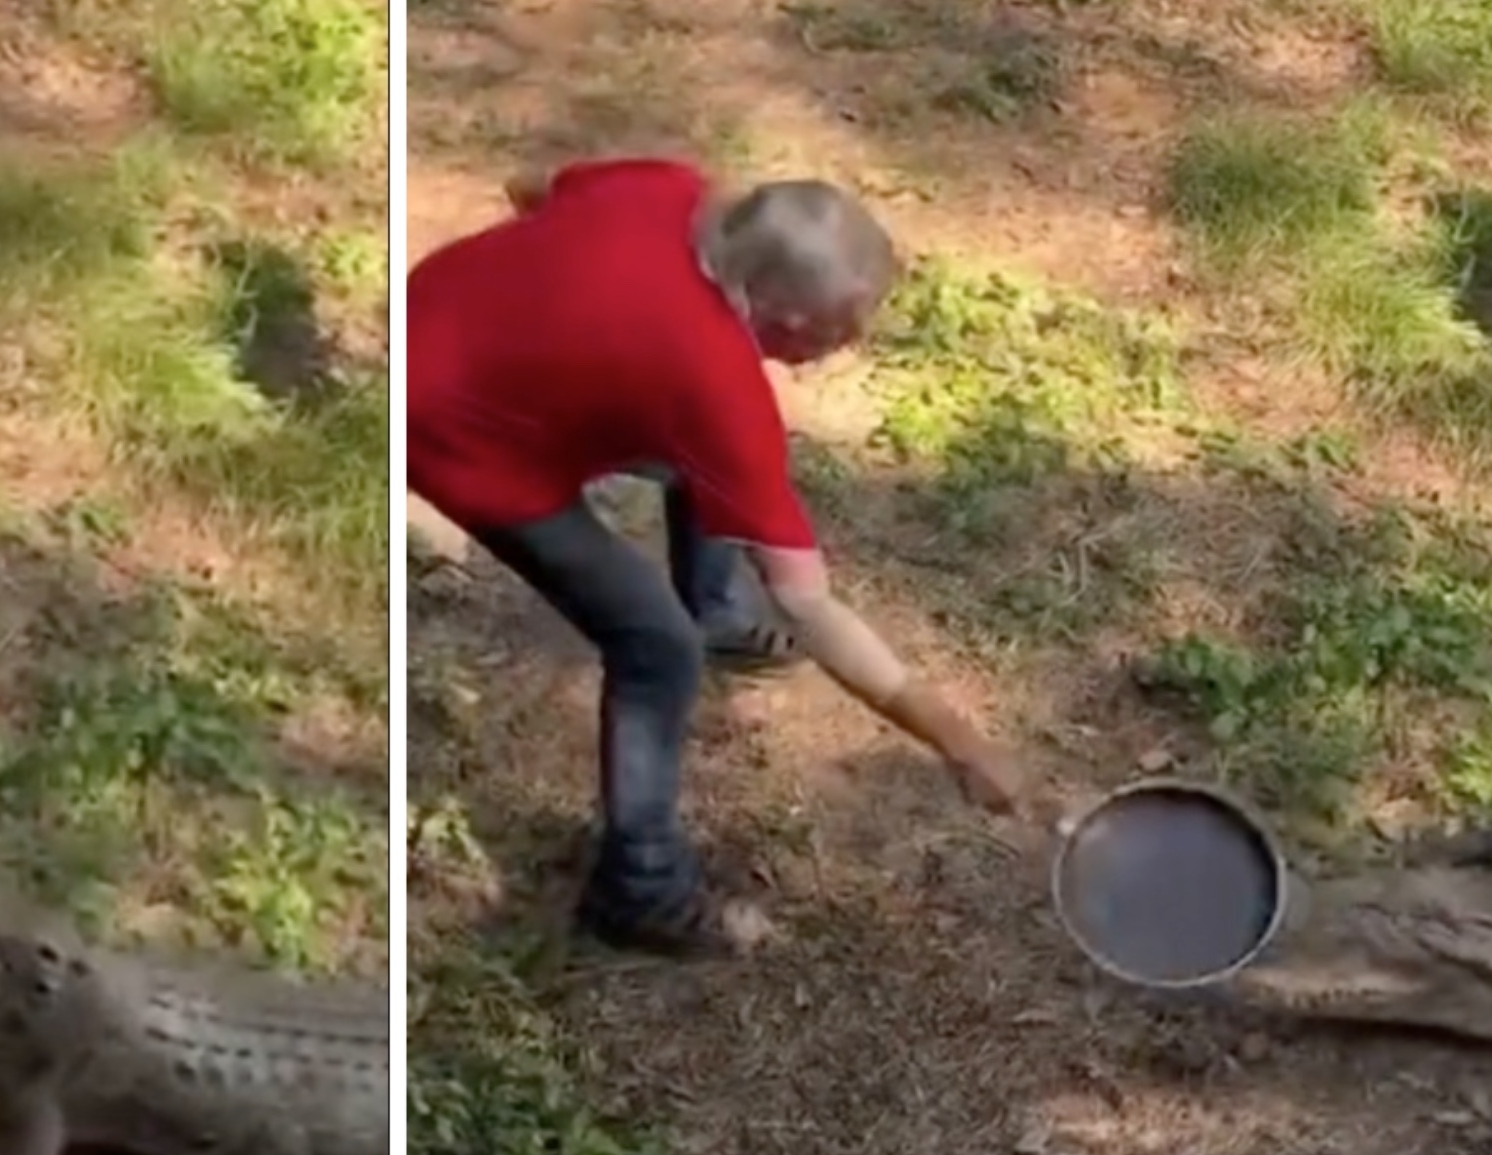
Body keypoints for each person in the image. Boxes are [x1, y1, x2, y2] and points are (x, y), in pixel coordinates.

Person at [407, 156, 1038, 957]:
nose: (858, 340)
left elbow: (531, 188)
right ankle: (641, 889)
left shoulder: (668, 188)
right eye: (842, 324)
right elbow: (809, 604)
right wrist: (962, 742)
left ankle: (718, 614)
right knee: (655, 648)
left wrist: (565, 316)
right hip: (444, 427)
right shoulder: (716, 390)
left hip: (436, 309)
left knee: (692, 465)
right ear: (774, 309)